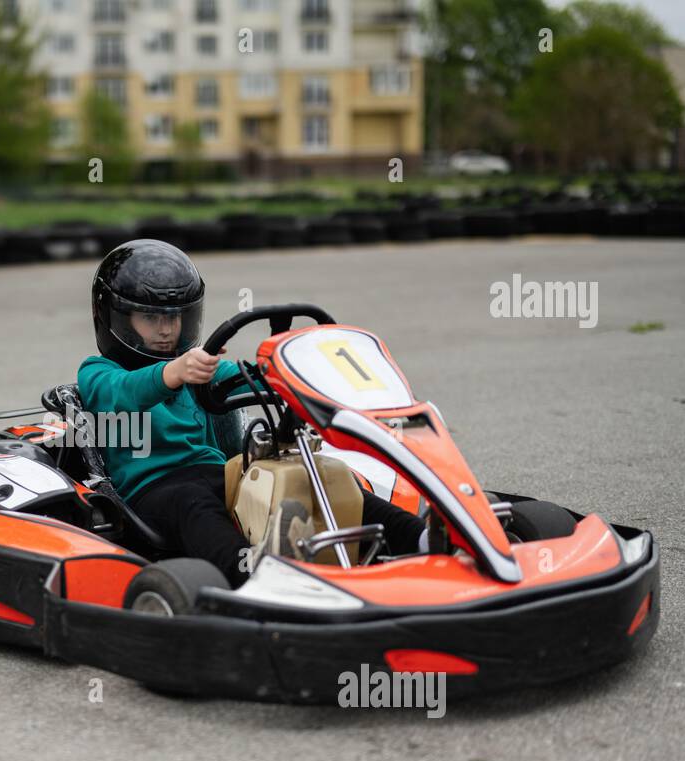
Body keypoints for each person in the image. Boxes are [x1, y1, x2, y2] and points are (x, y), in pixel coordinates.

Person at [77, 239, 426, 587]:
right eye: (150, 318)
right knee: (193, 503)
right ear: (115, 318)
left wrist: (300, 371)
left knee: (316, 479)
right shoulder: (99, 372)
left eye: (174, 317)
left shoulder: (198, 369)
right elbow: (125, 393)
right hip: (149, 494)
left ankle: (423, 537)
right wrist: (176, 372)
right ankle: (253, 571)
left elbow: (257, 380)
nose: (166, 329)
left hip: (219, 474)